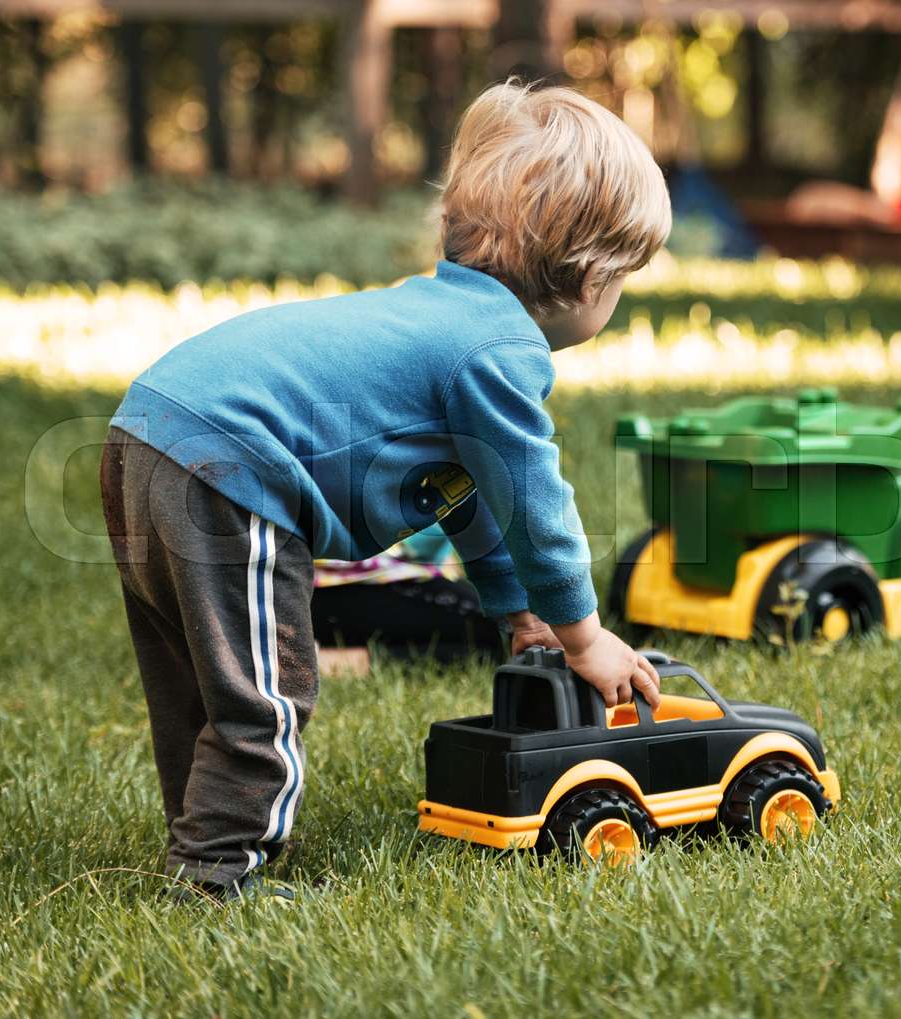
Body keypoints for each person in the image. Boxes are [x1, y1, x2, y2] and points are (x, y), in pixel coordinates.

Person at [98, 81, 668, 902]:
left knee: (198, 677)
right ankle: (218, 875)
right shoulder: (499, 348)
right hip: (229, 470)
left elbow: (466, 495)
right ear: (588, 277)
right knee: (269, 690)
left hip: (141, 435)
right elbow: (535, 502)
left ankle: (205, 838)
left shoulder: (435, 316)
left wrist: (516, 613)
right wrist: (582, 635)